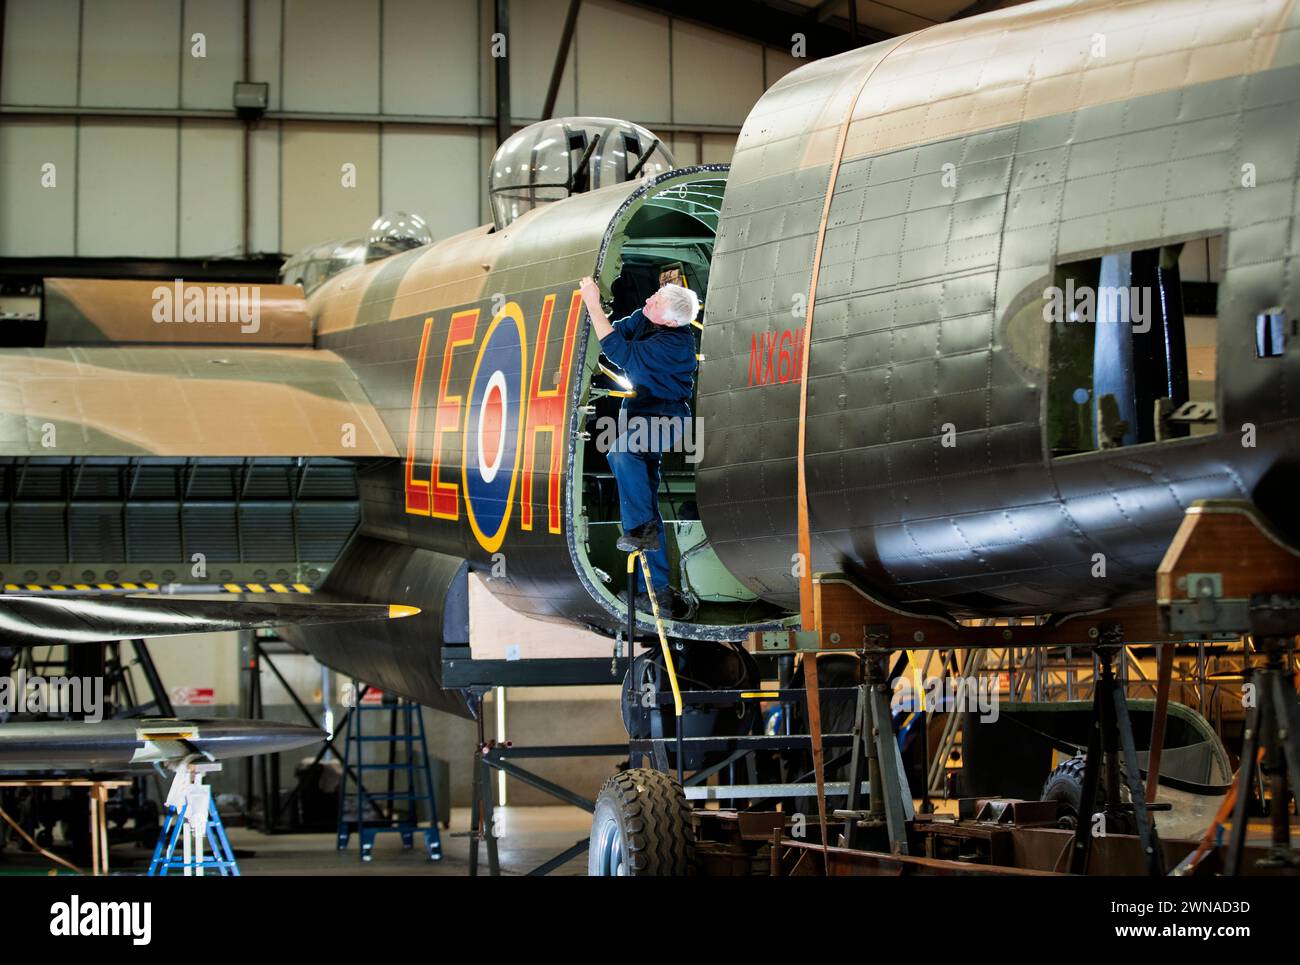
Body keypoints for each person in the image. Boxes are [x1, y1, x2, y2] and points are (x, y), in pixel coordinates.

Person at [579, 275, 699, 617]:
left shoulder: (675, 346)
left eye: (657, 302)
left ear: (671, 321)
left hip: (666, 418)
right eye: (656, 294)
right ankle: (657, 590)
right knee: (644, 498)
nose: (650, 300)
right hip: (638, 416)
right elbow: (616, 331)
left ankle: (640, 530)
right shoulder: (647, 317)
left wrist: (591, 301)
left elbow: (619, 351)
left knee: (621, 451)